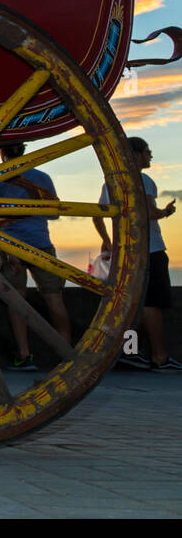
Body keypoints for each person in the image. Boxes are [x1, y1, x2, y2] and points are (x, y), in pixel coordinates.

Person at [94, 137, 181, 371]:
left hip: (126, 254)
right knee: (152, 304)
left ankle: (129, 352)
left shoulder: (110, 182)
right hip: (150, 250)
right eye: (147, 151)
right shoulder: (143, 179)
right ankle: (159, 357)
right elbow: (149, 213)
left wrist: (107, 240)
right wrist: (166, 212)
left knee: (134, 306)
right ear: (136, 154)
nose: (150, 155)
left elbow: (97, 214)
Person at [0, 143, 72, 370]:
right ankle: (67, 353)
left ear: (0, 151)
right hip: (41, 242)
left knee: (16, 300)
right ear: (23, 149)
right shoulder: (42, 177)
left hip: (10, 244)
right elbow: (53, 213)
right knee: (54, 297)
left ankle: (24, 355)